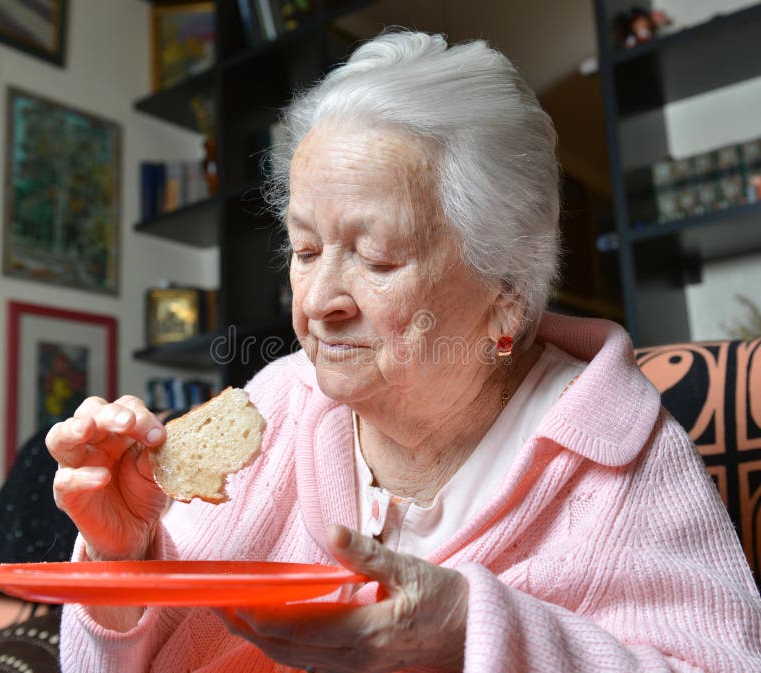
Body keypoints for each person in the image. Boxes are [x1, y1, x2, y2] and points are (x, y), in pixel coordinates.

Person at [47, 30, 761, 673]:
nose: (319, 297)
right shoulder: (278, 406)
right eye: (303, 248)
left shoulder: (614, 454)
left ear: (506, 289)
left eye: (377, 258)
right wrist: (123, 559)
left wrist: (474, 635)